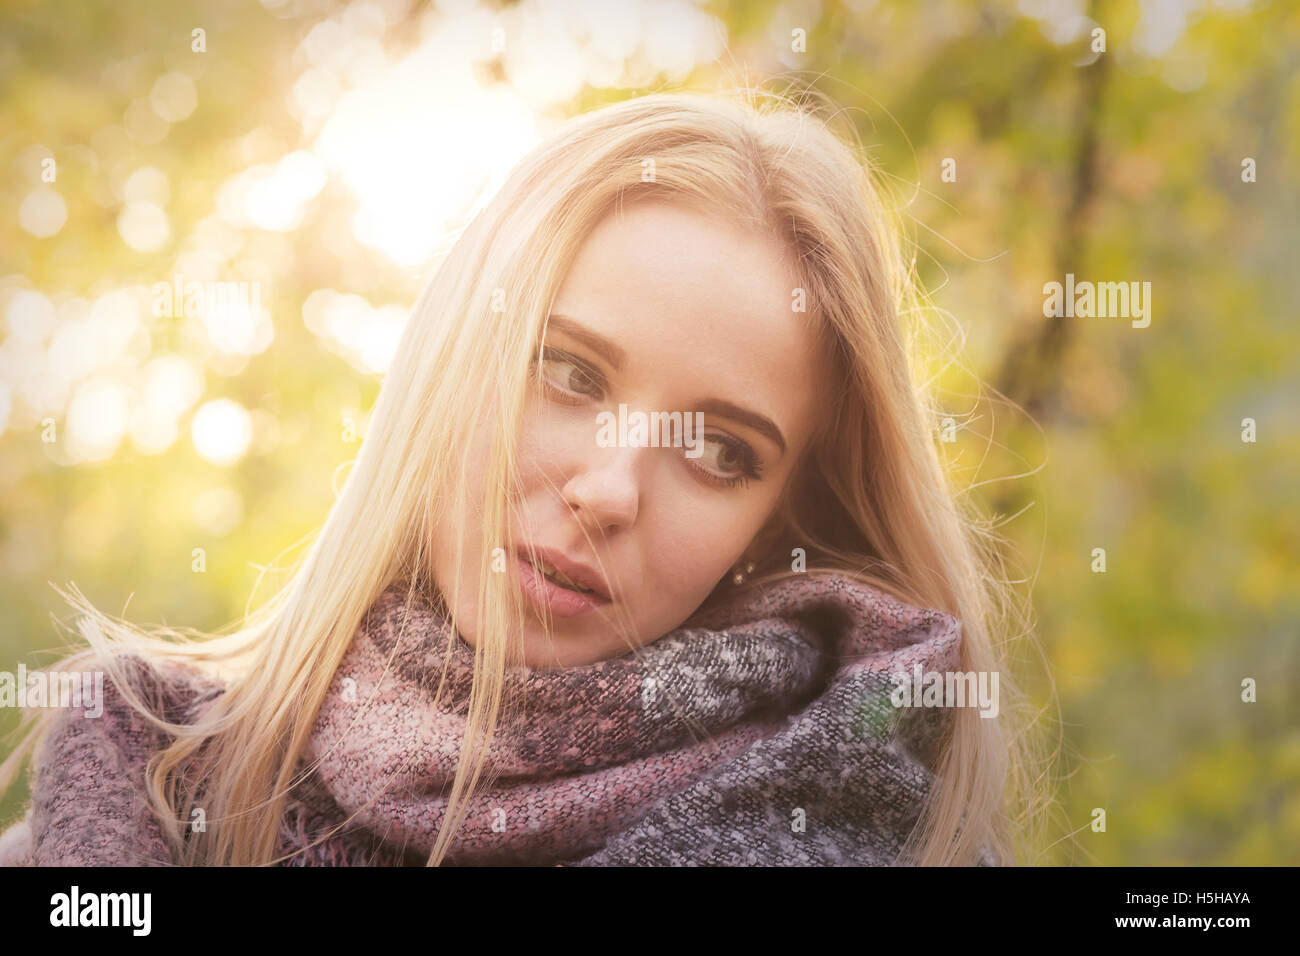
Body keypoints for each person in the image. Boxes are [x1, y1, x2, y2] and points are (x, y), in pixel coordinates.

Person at [0, 88, 1041, 866]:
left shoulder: (900, 839)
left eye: (721, 450)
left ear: (777, 525)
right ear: (453, 361)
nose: (608, 489)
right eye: (568, 371)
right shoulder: (138, 785)